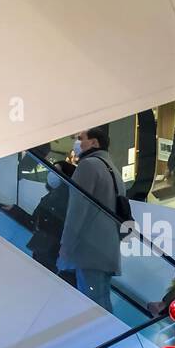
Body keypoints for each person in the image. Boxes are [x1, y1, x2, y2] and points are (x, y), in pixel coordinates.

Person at [59, 125, 124, 312]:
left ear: (94, 142)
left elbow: (77, 209)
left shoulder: (88, 166)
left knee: (92, 307)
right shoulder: (113, 169)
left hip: (89, 248)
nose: (77, 142)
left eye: (81, 138)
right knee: (102, 302)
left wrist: (66, 245)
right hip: (108, 248)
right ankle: (112, 338)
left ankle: (105, 339)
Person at [28, 157, 77, 286]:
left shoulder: (67, 199)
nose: (51, 174)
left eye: (57, 171)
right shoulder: (51, 197)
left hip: (53, 253)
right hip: (43, 251)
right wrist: (14, 210)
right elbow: (34, 220)